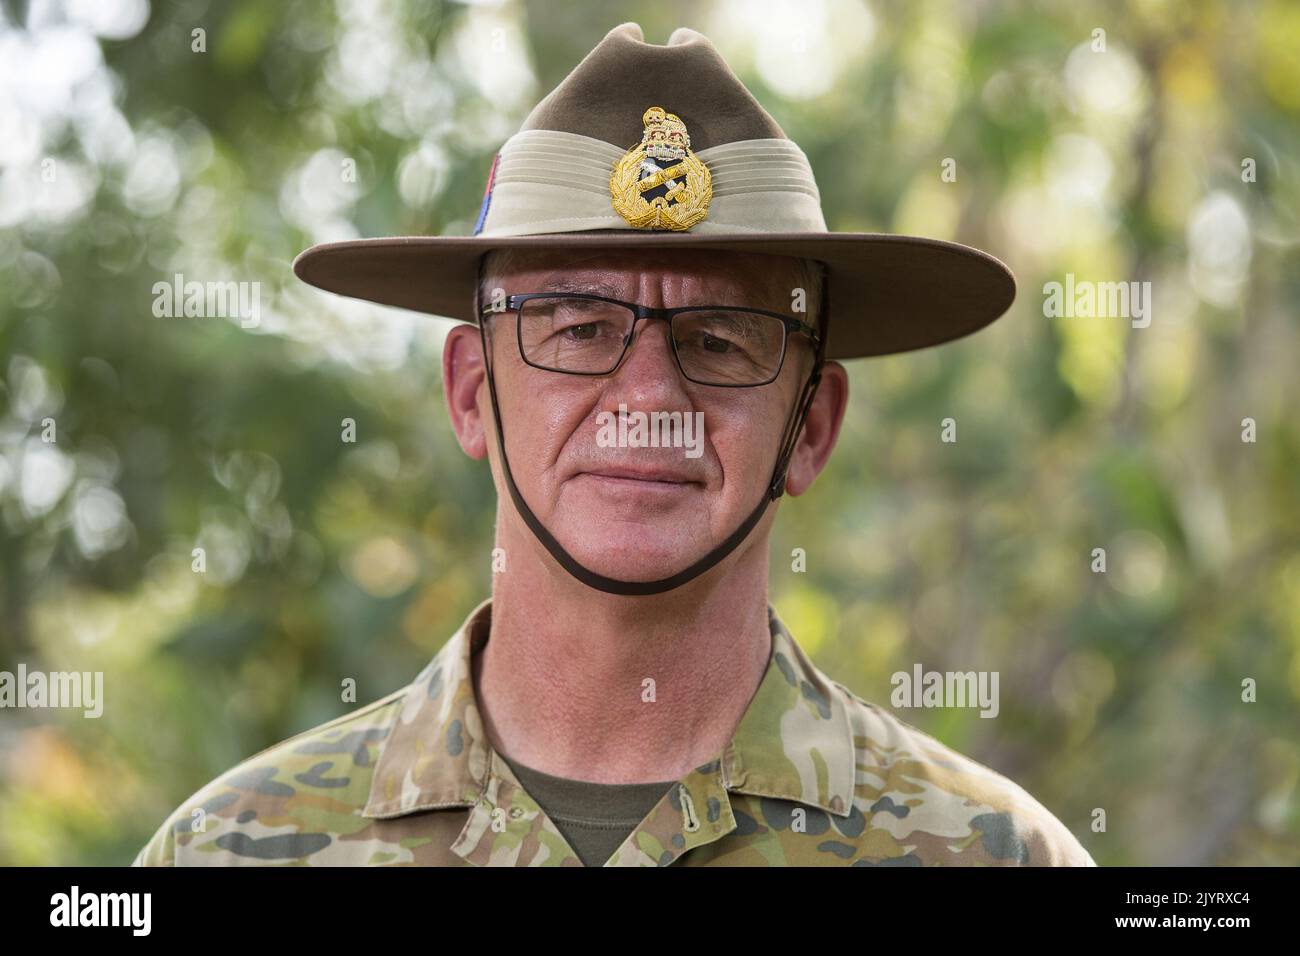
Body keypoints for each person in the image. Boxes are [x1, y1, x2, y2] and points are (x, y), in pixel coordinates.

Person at [134, 22, 1094, 866]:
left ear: (812, 427)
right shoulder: (231, 851)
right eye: (576, 325)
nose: (647, 396)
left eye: (721, 338)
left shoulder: (991, 856)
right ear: (472, 393)